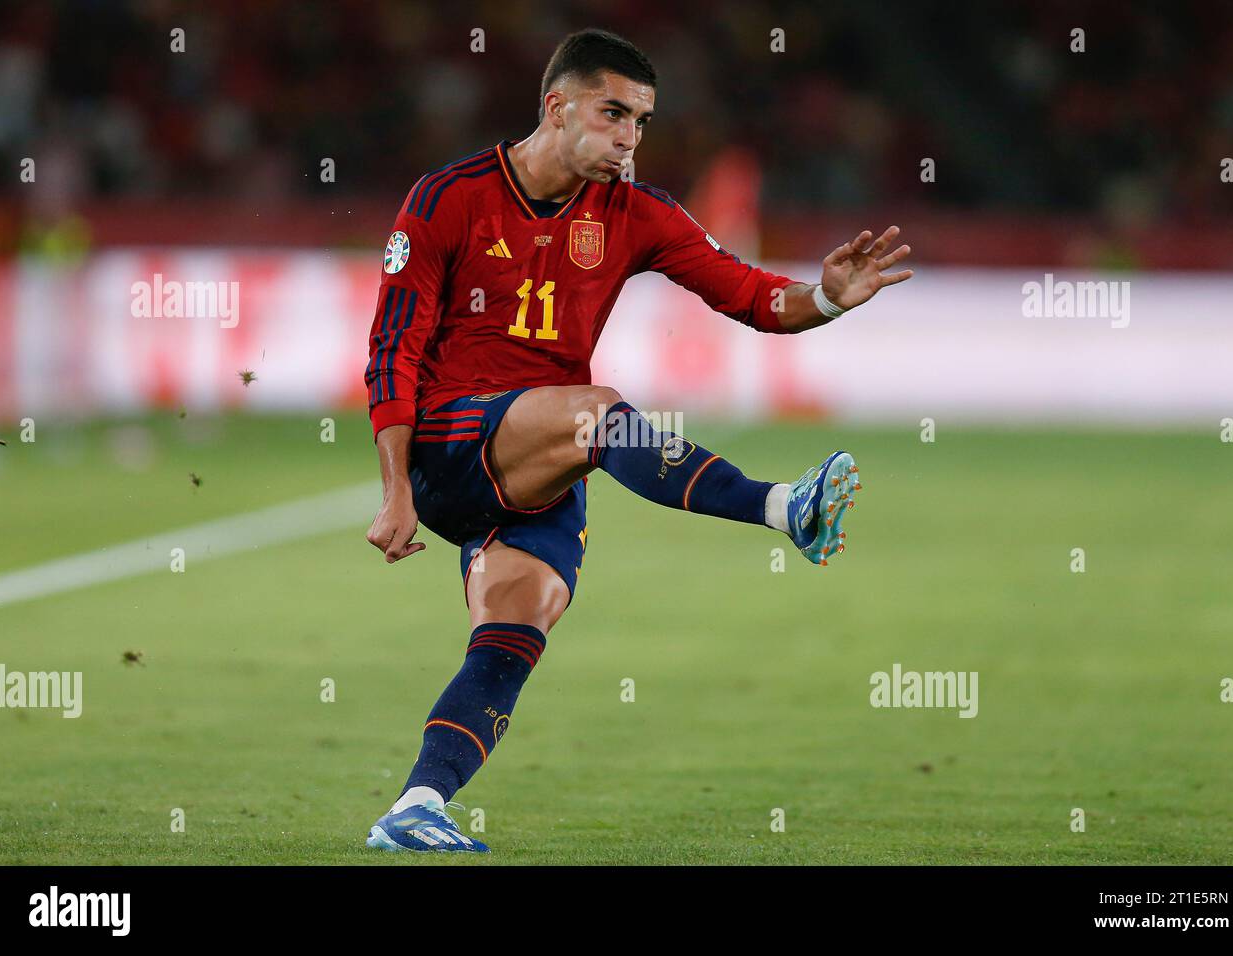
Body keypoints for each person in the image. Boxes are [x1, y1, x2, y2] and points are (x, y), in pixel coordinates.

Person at [362, 28, 913, 853]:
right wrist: (397, 491)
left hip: (538, 465)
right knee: (597, 410)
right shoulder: (448, 197)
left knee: (518, 629)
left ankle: (415, 806)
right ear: (557, 106)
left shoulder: (636, 211)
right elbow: (391, 350)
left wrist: (826, 299)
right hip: (452, 438)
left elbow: (749, 296)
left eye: (642, 120)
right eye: (612, 111)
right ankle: (783, 507)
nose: (629, 136)